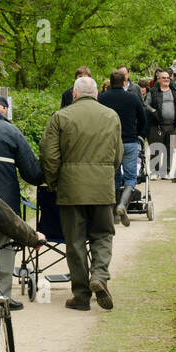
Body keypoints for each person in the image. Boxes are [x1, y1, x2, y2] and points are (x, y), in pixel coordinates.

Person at [40, 76, 122, 311]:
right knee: (103, 235)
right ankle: (99, 276)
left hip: (71, 188)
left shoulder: (60, 117)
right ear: (96, 94)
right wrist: (106, 174)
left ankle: (81, 295)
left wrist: (54, 180)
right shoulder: (111, 116)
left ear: (75, 94)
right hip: (102, 187)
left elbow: (50, 155)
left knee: (74, 241)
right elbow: (117, 155)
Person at [0, 94, 42, 307]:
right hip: (4, 202)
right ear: (4, 110)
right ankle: (2, 297)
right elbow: (31, 173)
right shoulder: (11, 131)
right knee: (3, 246)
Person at [97, 70, 146, 226]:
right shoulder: (132, 97)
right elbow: (143, 118)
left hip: (109, 142)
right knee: (131, 177)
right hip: (129, 141)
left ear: (110, 83)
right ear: (125, 82)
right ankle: (123, 205)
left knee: (115, 176)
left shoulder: (102, 98)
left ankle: (115, 214)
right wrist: (137, 133)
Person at [145, 69, 176, 178]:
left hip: (173, 126)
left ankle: (166, 172)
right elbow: (146, 104)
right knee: (156, 149)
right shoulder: (153, 92)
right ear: (158, 79)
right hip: (157, 125)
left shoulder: (174, 91)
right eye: (163, 78)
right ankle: (155, 172)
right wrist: (153, 111)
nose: (166, 79)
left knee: (171, 149)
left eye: (168, 78)